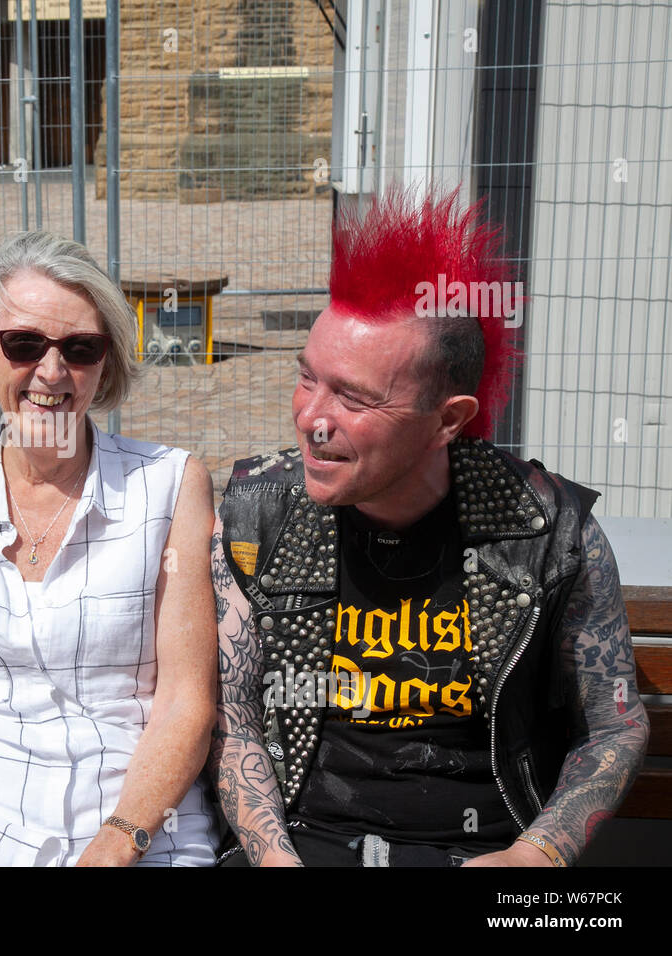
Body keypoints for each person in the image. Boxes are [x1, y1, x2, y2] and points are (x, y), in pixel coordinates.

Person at [210, 188, 650, 866]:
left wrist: (537, 856)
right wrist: (274, 858)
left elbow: (614, 724)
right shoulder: (256, 517)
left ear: (449, 419)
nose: (311, 418)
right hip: (302, 846)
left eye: (352, 396)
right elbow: (233, 721)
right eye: (307, 378)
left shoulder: (549, 530)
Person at [0, 231, 221, 866]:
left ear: (107, 361)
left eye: (81, 348)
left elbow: (184, 703)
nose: (52, 371)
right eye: (24, 344)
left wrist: (114, 849)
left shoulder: (171, 486)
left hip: (139, 833)